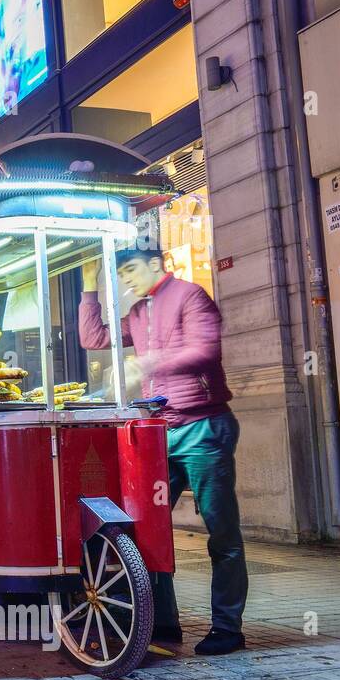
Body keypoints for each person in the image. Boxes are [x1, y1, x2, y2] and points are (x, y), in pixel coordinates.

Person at [81, 248, 248, 656]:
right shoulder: (138, 312)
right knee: (143, 528)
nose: (128, 280)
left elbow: (204, 350)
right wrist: (88, 288)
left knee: (221, 533)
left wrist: (150, 362)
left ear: (157, 264)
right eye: (120, 274)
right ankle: (163, 622)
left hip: (204, 427)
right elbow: (93, 338)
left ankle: (228, 628)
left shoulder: (191, 295)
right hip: (161, 430)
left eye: (132, 269)